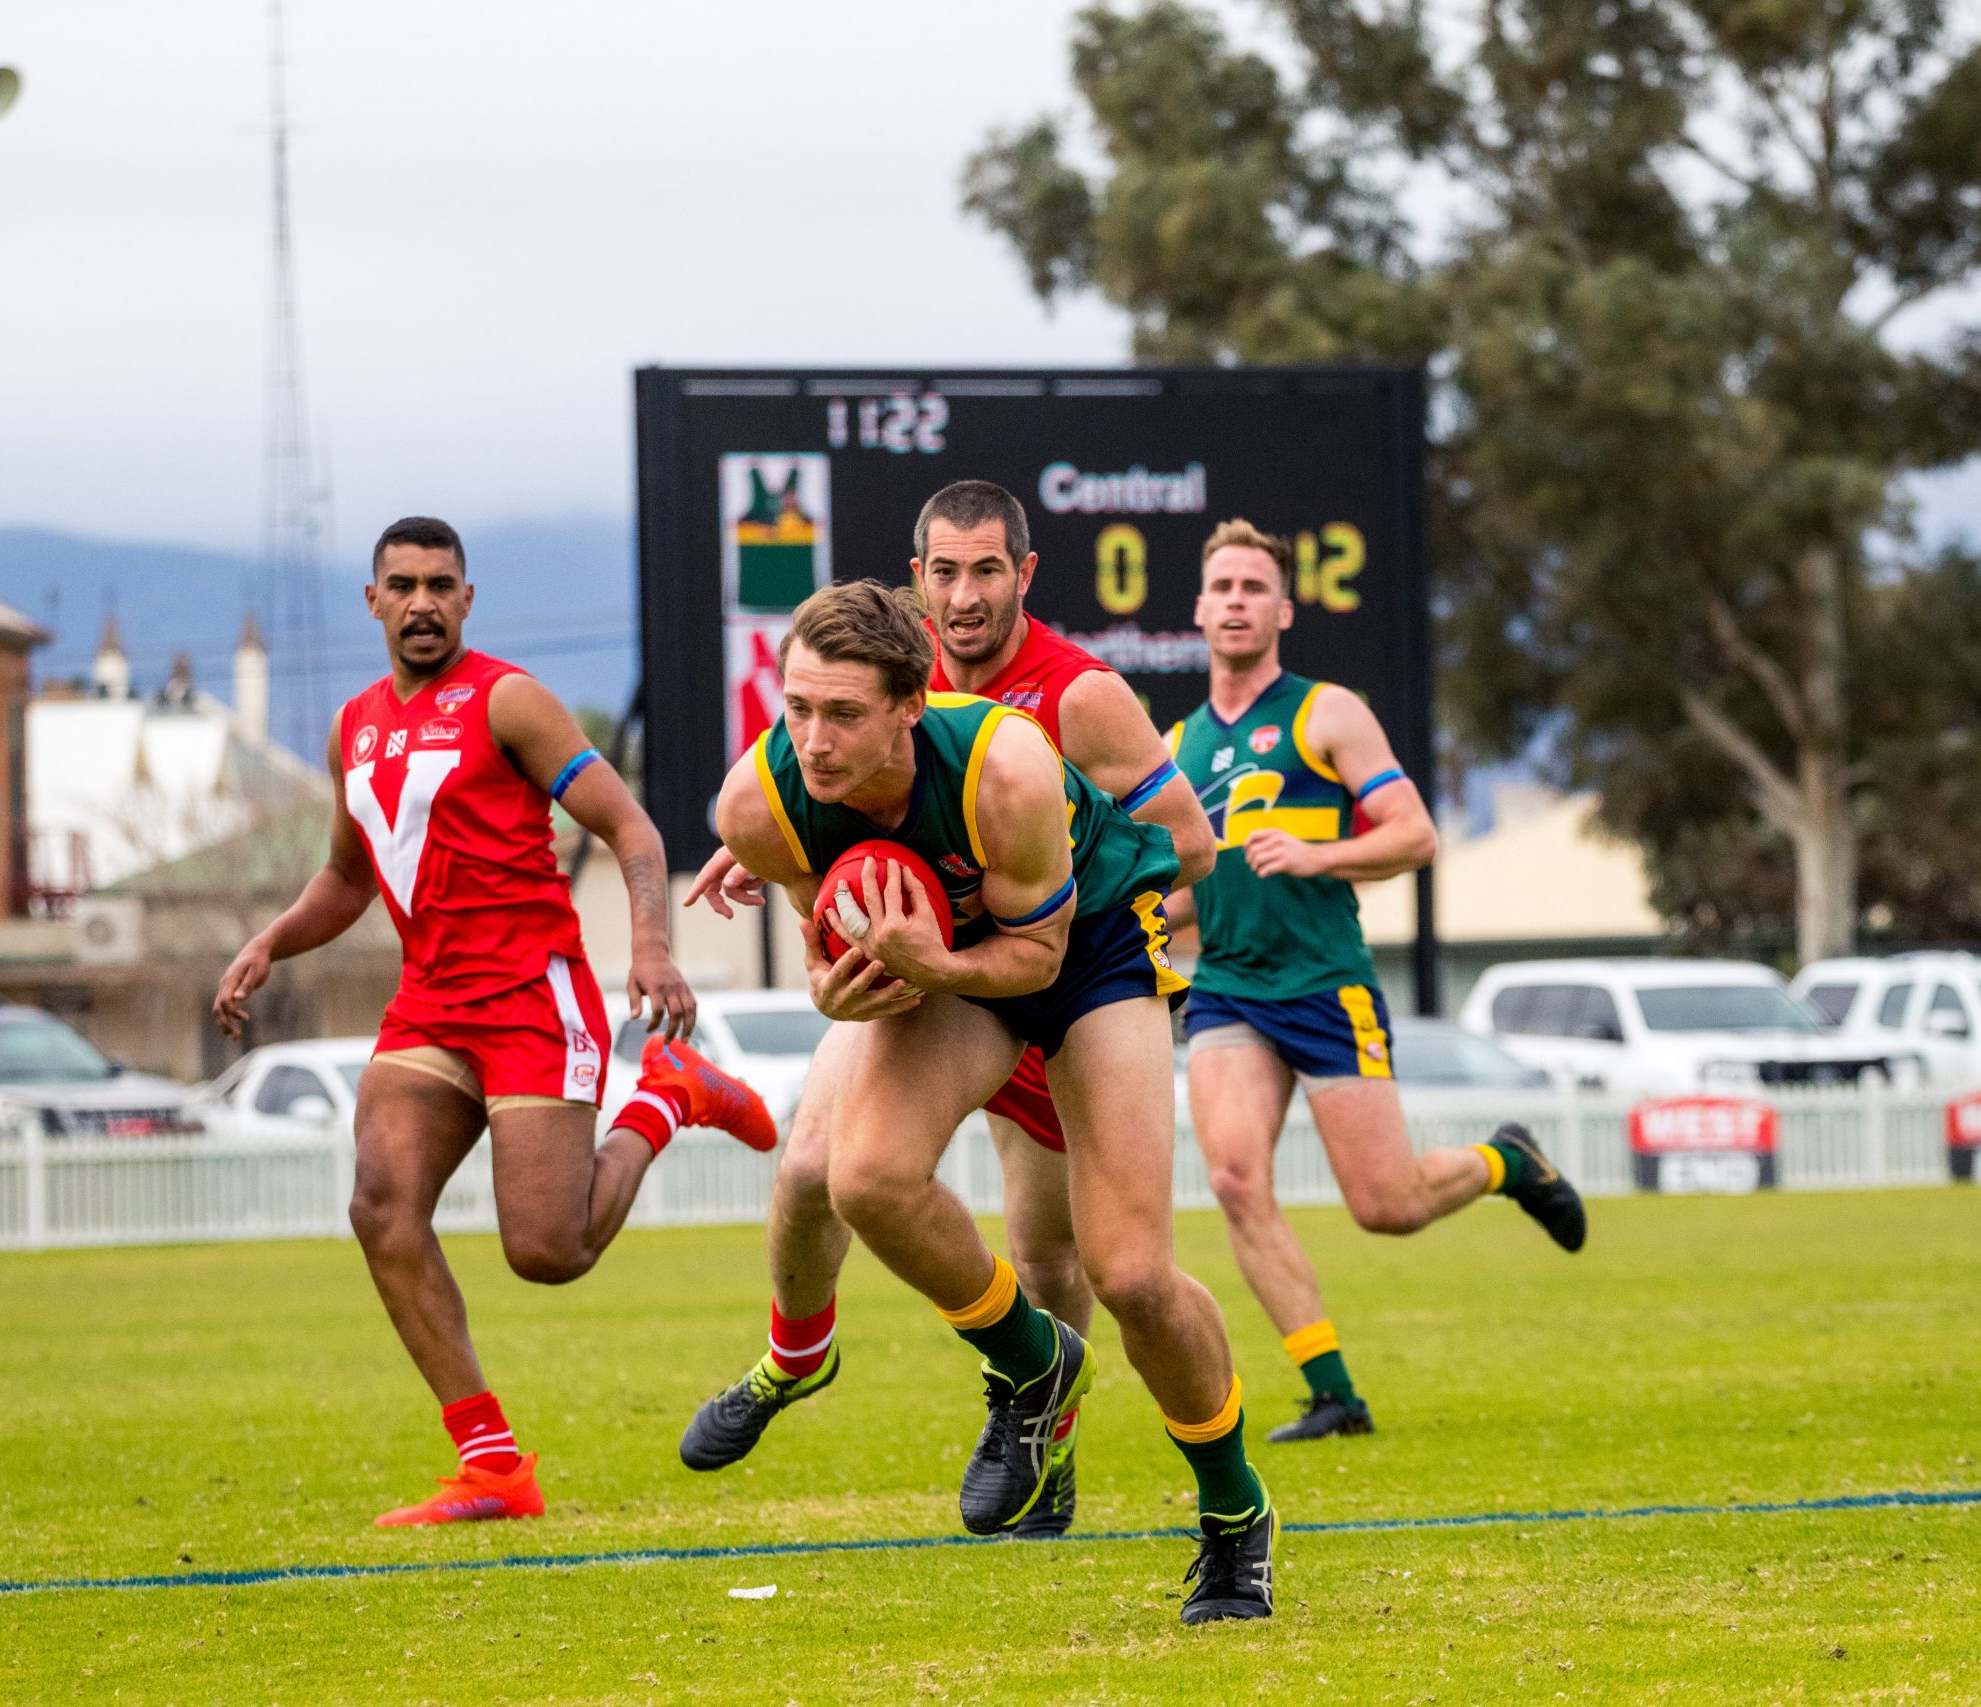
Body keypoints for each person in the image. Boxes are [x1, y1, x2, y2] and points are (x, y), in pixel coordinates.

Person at [711, 579, 1276, 1624]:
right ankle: (1034, 1361)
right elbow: (821, 935)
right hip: (956, 956)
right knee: (862, 1177)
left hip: (1087, 947)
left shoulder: (1002, 766)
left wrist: (932, 961)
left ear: (909, 709)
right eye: (795, 709)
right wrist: (836, 986)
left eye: (842, 714)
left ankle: (1235, 1517)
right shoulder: (759, 804)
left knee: (1133, 1276)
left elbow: (1038, 956)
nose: (813, 740)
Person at [213, 515, 776, 1528]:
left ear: (467, 601)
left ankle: (664, 1099)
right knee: (380, 1207)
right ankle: (492, 1465)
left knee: (547, 1254)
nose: (422, 601)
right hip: (430, 1003)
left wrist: (650, 947)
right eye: (403, 584)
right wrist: (268, 943)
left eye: (441, 585)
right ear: (374, 601)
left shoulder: (508, 700)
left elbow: (630, 825)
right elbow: (347, 879)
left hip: (530, 996)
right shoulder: (353, 727)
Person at [1165, 519, 1587, 1442]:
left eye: (1253, 587)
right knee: (1237, 1180)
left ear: (1283, 608)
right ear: (1198, 609)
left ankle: (1506, 1161)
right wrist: (1144, 926)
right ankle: (1334, 1392)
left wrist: (1319, 853)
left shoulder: (1328, 713)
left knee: (1386, 1206)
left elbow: (1415, 833)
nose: (1236, 601)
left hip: (1324, 982)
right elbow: (1201, 890)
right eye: (1222, 586)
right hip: (1229, 984)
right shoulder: (1178, 744)